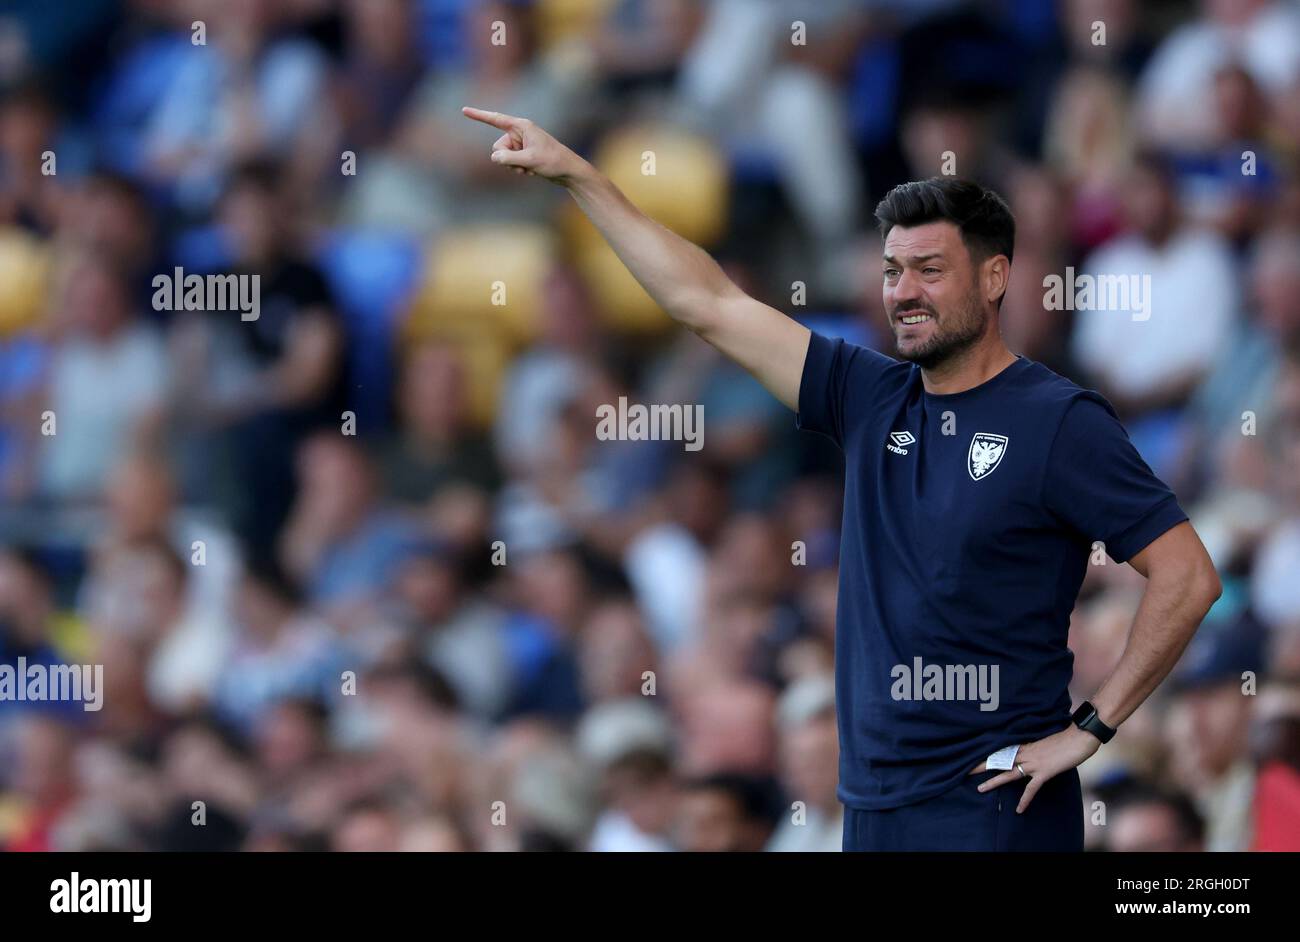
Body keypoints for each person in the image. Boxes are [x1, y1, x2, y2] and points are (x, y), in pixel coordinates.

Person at [460, 107, 1224, 851]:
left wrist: (1087, 731)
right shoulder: (866, 395)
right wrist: (579, 177)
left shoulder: (1059, 420)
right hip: (869, 810)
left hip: (992, 812)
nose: (902, 292)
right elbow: (708, 302)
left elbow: (1187, 577)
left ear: (995, 278)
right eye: (892, 271)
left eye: (930, 270)